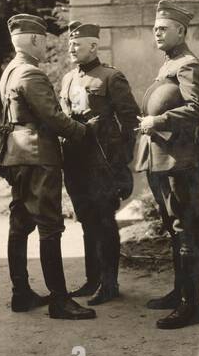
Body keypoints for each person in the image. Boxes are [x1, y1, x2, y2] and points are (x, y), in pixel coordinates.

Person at [0, 13, 95, 320]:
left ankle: (21, 293)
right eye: (43, 42)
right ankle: (59, 300)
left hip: (16, 155)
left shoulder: (10, 71)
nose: (46, 49)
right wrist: (83, 132)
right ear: (36, 40)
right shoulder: (32, 73)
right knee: (50, 227)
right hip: (39, 156)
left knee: (20, 224)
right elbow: (53, 117)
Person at [133, 1, 199, 329]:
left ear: (181, 30)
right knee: (172, 228)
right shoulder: (170, 64)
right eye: (155, 28)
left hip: (182, 159)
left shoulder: (188, 65)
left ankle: (190, 306)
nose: (157, 33)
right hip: (163, 158)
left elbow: (198, 110)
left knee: (185, 230)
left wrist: (159, 119)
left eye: (163, 28)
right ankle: (179, 292)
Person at [58, 22, 139, 305]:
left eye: (77, 44)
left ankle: (109, 283)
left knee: (105, 221)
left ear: (93, 46)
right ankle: (92, 279)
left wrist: (122, 159)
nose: (71, 48)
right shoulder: (68, 79)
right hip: (75, 161)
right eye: (70, 43)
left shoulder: (111, 78)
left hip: (102, 162)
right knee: (86, 221)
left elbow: (131, 120)